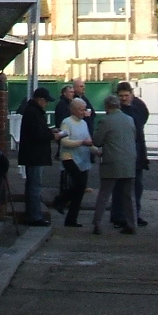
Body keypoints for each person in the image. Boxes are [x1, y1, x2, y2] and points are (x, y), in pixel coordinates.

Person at [90, 94, 138, 235]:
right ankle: (132, 223)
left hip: (111, 161)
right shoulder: (129, 120)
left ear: (106, 107)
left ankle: (97, 223)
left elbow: (97, 141)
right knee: (128, 195)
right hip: (129, 160)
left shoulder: (105, 121)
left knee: (104, 193)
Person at [108, 81, 152, 229]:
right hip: (123, 152)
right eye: (121, 96)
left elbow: (142, 121)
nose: (124, 99)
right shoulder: (118, 109)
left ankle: (134, 215)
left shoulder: (138, 107)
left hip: (137, 152)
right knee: (121, 186)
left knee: (136, 186)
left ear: (131, 94)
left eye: (126, 96)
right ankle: (119, 216)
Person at [50, 97, 94, 228]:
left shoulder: (84, 123)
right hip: (69, 157)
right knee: (79, 184)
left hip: (83, 158)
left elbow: (89, 140)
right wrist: (81, 143)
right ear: (73, 110)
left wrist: (97, 151)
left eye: (84, 109)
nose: (83, 112)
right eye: (81, 109)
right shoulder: (66, 122)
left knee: (80, 189)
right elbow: (64, 141)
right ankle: (60, 199)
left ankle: (71, 219)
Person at [17, 87, 55, 227]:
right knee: (34, 186)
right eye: (45, 101)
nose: (47, 104)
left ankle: (33, 214)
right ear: (40, 99)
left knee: (32, 185)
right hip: (35, 155)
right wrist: (52, 135)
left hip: (32, 155)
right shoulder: (34, 113)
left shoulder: (31, 111)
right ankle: (34, 216)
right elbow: (38, 134)